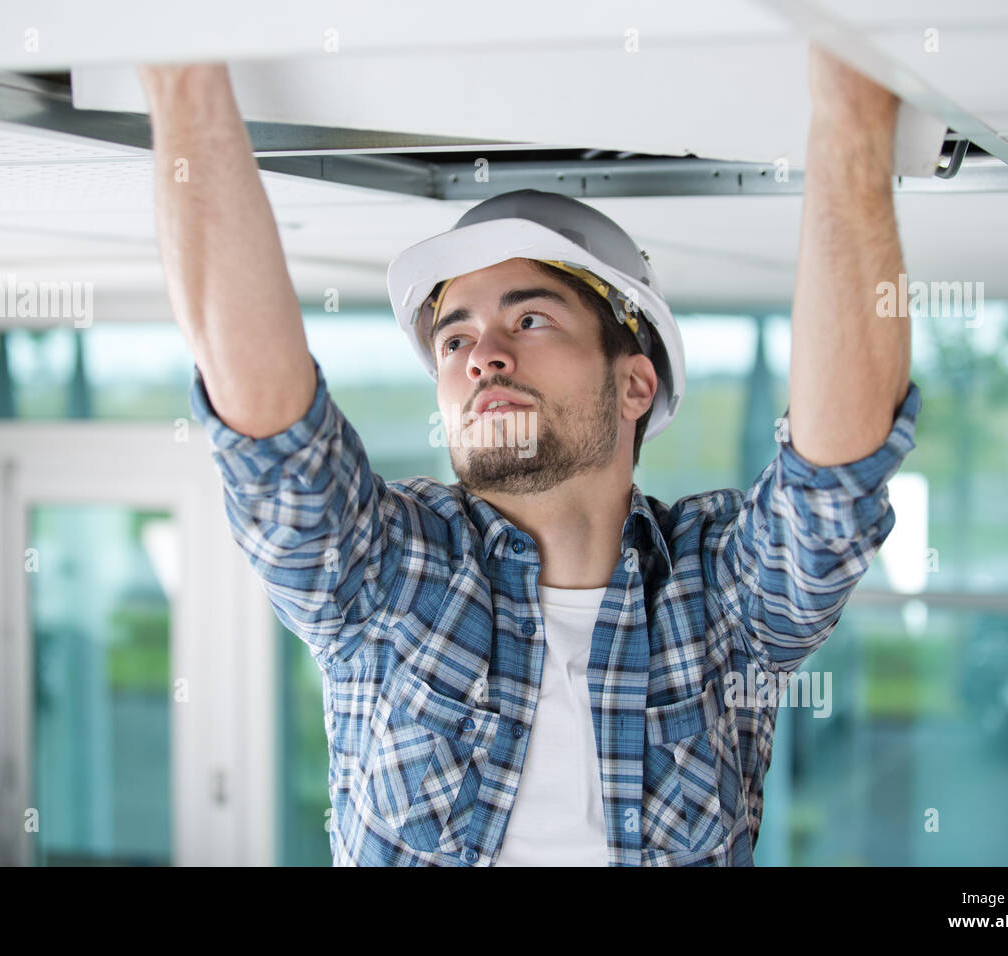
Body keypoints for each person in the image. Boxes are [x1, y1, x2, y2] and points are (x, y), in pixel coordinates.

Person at [138, 45, 921, 866]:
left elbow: (835, 475)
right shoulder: (390, 576)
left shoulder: (715, 595)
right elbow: (271, 436)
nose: (482, 356)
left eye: (531, 319)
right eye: (455, 337)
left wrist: (853, 109)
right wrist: (179, 63)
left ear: (634, 385)